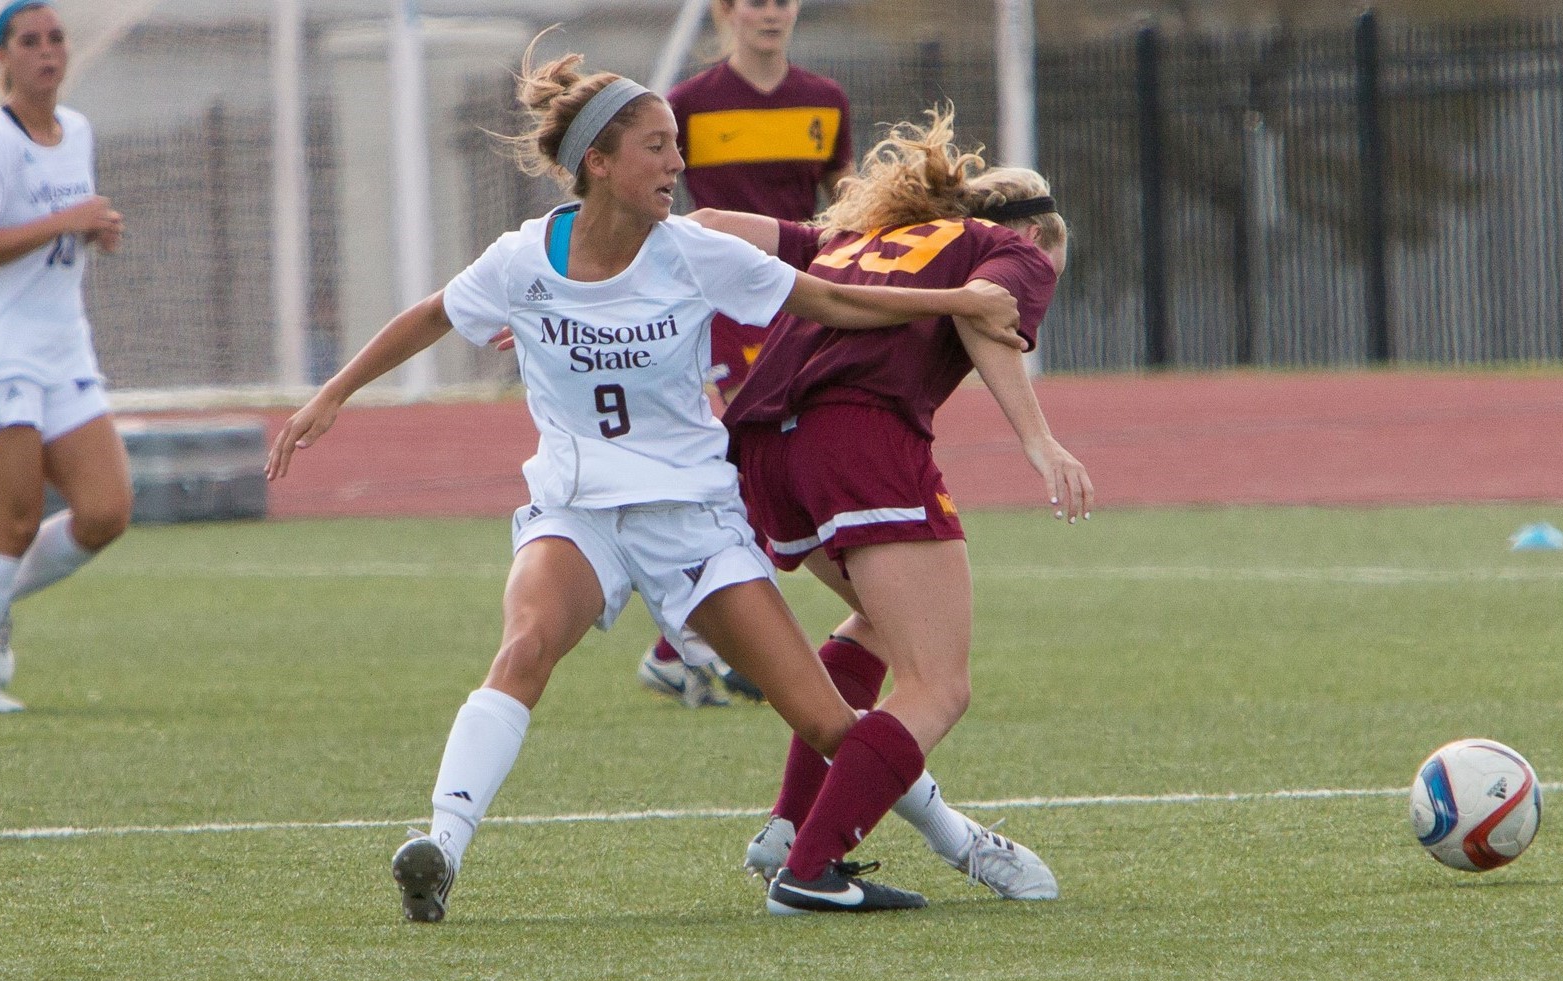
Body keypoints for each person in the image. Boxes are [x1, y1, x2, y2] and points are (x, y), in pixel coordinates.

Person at [266, 46, 1029, 921]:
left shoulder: (693, 252)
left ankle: (961, 840)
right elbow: (434, 314)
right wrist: (333, 394)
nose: (678, 163)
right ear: (599, 162)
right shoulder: (523, 259)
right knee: (523, 648)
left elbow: (828, 300)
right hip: (577, 512)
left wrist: (956, 303)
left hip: (695, 522)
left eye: (676, 146)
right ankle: (440, 846)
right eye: (658, 147)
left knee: (827, 725)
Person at [697, 108, 1093, 914]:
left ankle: (789, 824)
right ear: (1041, 235)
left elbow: (704, 224)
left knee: (880, 627)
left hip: (761, 448)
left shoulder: (860, 238)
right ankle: (810, 870)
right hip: (857, 435)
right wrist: (1040, 441)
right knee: (938, 683)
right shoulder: (1014, 248)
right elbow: (988, 310)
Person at [639, 0, 853, 708]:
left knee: (763, 468)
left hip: (796, 307)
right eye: (754, 1)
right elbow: (652, 211)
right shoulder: (688, 106)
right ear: (726, 12)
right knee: (743, 467)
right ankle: (692, 639)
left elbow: (846, 210)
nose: (771, 13)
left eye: (782, 0)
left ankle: (679, 646)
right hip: (723, 314)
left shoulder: (824, 102)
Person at [0, 0, 130, 715]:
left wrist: (92, 232)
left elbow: (62, 232)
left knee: (106, 509)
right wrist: (66, 220)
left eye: (55, 39)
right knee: (10, 522)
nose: (47, 51)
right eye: (29, 41)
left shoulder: (76, 131)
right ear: (2, 57)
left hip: (62, 348)